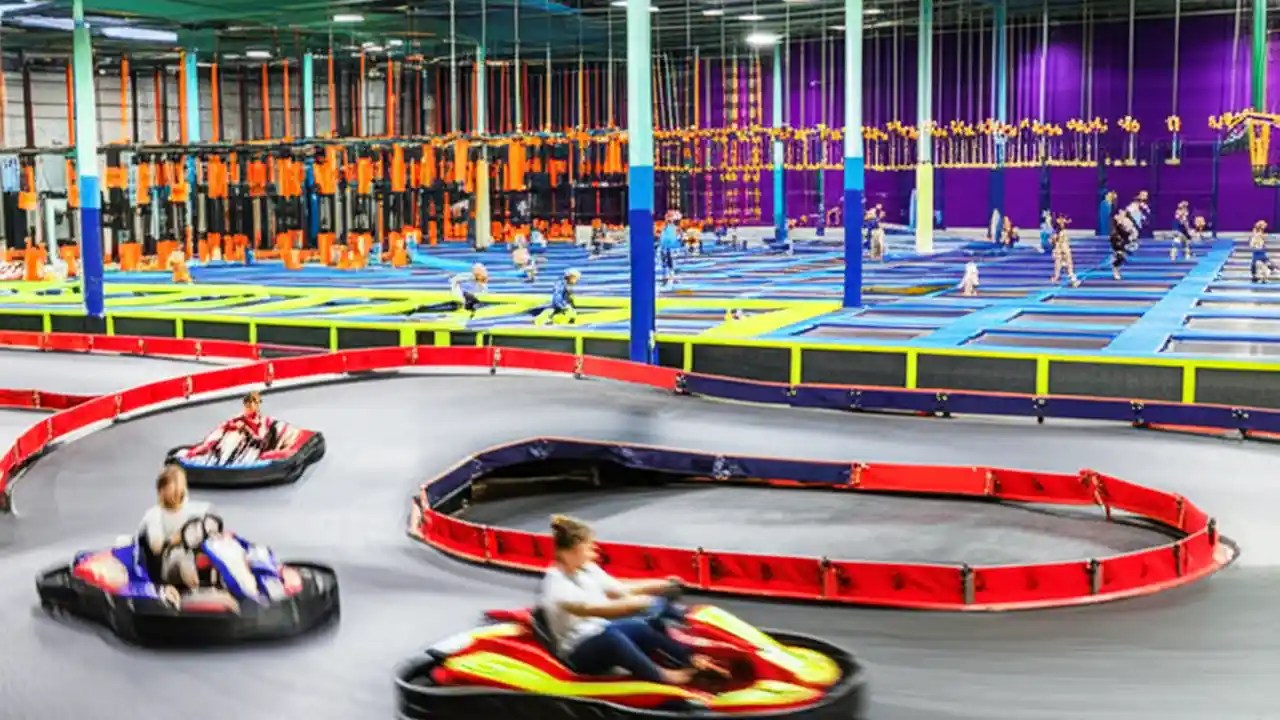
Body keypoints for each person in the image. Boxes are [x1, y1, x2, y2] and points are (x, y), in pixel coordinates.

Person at [539, 515, 725, 685]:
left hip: (599, 630)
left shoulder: (586, 569)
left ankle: (692, 658)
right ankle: (663, 676)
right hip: (577, 652)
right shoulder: (557, 585)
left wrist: (663, 584)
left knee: (641, 627)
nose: (594, 549)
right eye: (589, 545)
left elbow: (620, 589)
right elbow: (596, 609)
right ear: (571, 550)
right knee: (612, 639)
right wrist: (639, 604)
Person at [1050, 215, 1080, 287]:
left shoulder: (1061, 232)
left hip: (1064, 251)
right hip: (1061, 252)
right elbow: (1053, 242)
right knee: (1059, 267)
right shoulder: (1056, 233)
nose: (1063, 223)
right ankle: (1055, 280)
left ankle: (1073, 281)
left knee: (1068, 268)